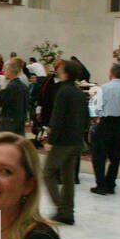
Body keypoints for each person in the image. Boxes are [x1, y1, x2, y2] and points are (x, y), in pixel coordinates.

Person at [41, 60, 88, 225]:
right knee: (68, 177)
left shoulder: (63, 91)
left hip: (62, 141)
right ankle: (68, 211)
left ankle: (62, 209)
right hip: (75, 139)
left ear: (65, 73)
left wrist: (51, 140)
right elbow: (85, 117)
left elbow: (58, 117)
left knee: (47, 173)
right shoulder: (79, 92)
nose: (57, 71)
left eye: (60, 69)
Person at [89, 63, 120, 196]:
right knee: (115, 157)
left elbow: (95, 107)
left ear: (111, 73)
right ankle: (111, 184)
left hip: (105, 123)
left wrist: (96, 119)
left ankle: (100, 184)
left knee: (99, 155)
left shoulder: (104, 88)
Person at [0, 59, 29, 136]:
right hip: (20, 119)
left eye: (5, 70)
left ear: (9, 71)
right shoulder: (24, 86)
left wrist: (2, 90)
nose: (4, 72)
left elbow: (1, 101)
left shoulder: (10, 87)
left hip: (9, 120)